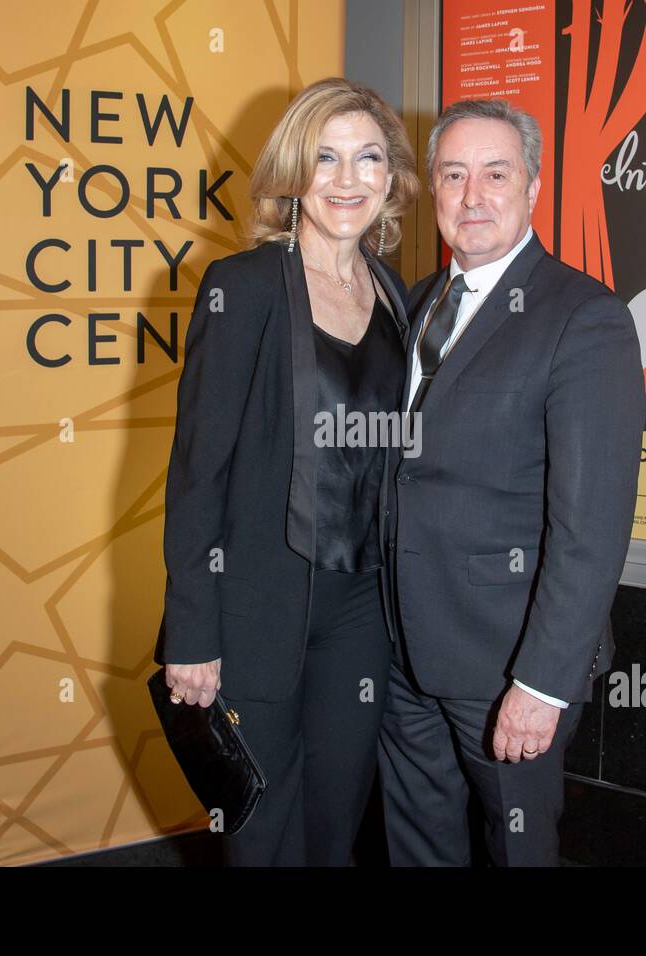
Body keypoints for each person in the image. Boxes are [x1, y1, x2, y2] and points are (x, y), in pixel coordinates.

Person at [156, 77, 419, 866]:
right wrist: (192, 633)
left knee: (337, 822)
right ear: (293, 173)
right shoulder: (243, 288)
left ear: (390, 177)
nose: (347, 179)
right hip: (258, 607)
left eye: (367, 158)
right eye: (326, 158)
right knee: (262, 836)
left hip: (360, 613)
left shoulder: (394, 292)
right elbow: (198, 473)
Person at [377, 98, 644, 866]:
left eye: (496, 174)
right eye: (454, 175)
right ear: (432, 188)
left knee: (518, 852)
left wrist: (543, 684)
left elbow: (591, 529)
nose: (473, 196)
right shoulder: (420, 302)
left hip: (507, 665)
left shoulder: (583, 318)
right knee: (416, 846)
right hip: (401, 652)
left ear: (533, 187)